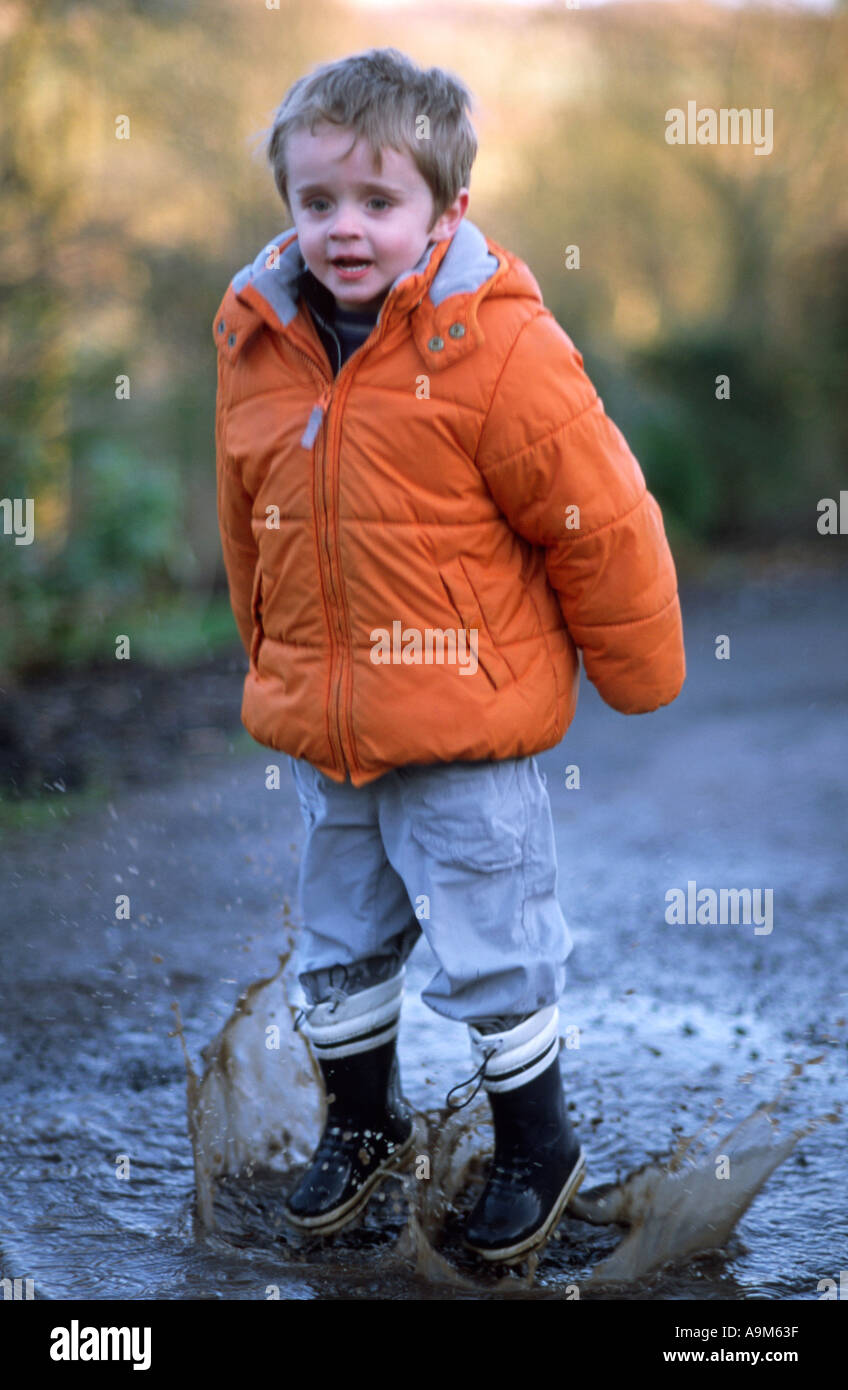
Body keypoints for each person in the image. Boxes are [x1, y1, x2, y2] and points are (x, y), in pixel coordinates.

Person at [212, 47, 685, 1264]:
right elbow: (248, 519)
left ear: (445, 209)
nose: (344, 229)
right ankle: (362, 1129)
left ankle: (537, 1142)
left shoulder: (497, 348)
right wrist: (267, 653)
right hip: (333, 730)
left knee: (491, 944)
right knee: (337, 943)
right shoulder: (259, 343)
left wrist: (636, 667)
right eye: (317, 203)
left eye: (378, 202)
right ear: (289, 209)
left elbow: (601, 511)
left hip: (468, 729)